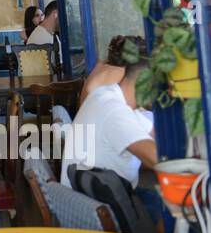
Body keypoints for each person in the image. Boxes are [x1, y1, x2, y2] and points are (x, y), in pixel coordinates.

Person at [60, 58, 158, 189]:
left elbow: (151, 131)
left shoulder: (106, 94)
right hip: (98, 205)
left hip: (90, 195)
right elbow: (156, 159)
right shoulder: (114, 111)